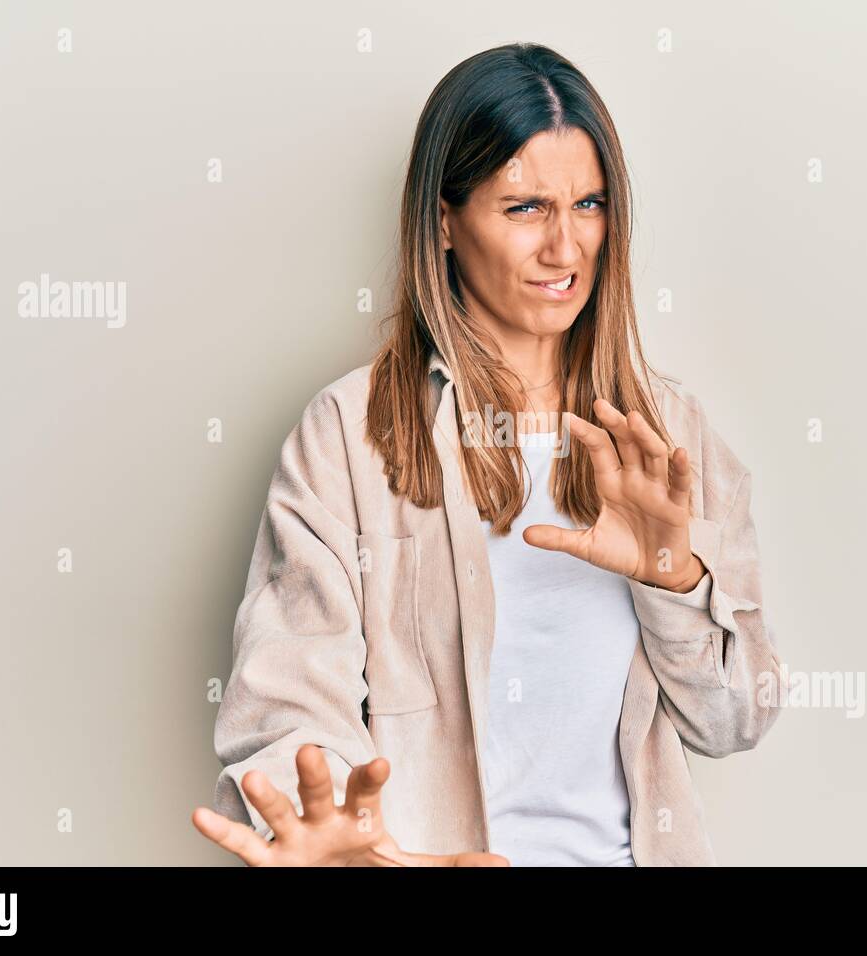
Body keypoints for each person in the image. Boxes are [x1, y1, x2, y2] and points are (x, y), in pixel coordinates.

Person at [190, 42, 786, 867]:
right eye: (524, 208)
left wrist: (673, 576)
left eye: (589, 204)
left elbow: (735, 720)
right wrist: (334, 839)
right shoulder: (348, 435)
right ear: (443, 220)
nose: (566, 248)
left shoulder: (668, 436)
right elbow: (288, 702)